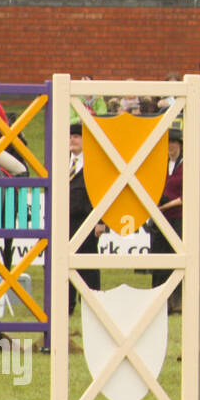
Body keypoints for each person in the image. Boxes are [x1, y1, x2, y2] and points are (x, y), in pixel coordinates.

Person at [68, 122, 107, 314]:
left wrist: (101, 221)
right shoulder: (62, 163)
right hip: (65, 221)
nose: (72, 140)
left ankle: (92, 304)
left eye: (76, 136)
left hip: (86, 221)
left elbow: (102, 193)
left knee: (88, 265)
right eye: (70, 137)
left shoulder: (94, 163)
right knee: (64, 265)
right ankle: (66, 306)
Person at [151, 123, 185, 315]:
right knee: (158, 260)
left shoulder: (185, 164)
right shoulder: (160, 164)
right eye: (168, 142)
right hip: (159, 218)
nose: (171, 146)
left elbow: (186, 196)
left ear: (180, 145)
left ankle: (177, 302)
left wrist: (164, 206)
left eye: (173, 142)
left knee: (176, 260)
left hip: (177, 217)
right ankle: (158, 301)